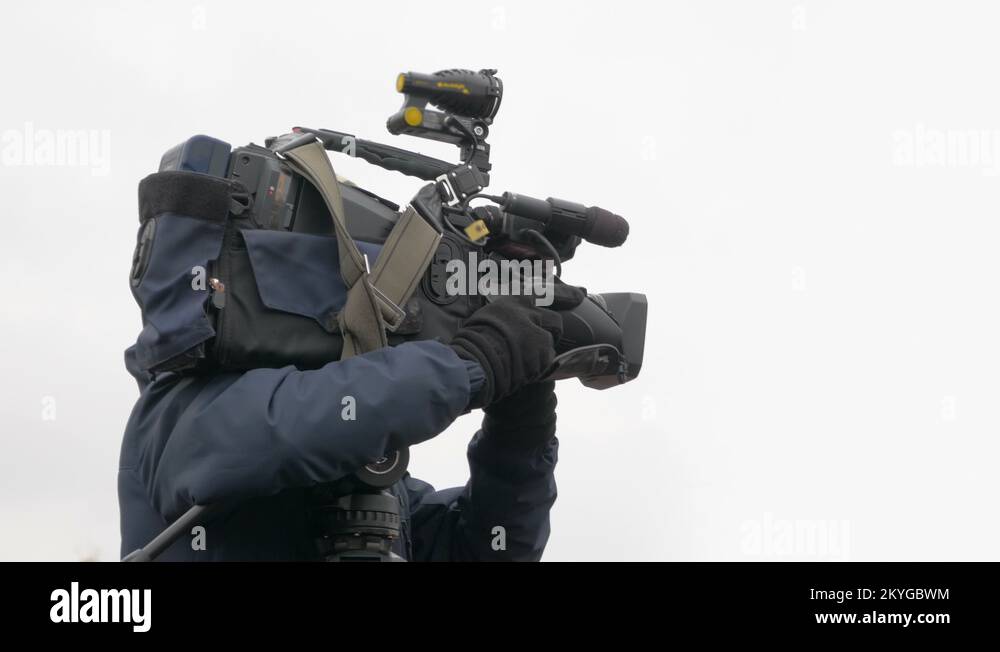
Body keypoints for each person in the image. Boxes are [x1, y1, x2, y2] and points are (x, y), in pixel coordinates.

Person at [118, 287, 585, 561]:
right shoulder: (176, 411)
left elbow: (486, 550)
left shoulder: (365, 484)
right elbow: (288, 430)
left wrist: (521, 426)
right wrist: (470, 366)